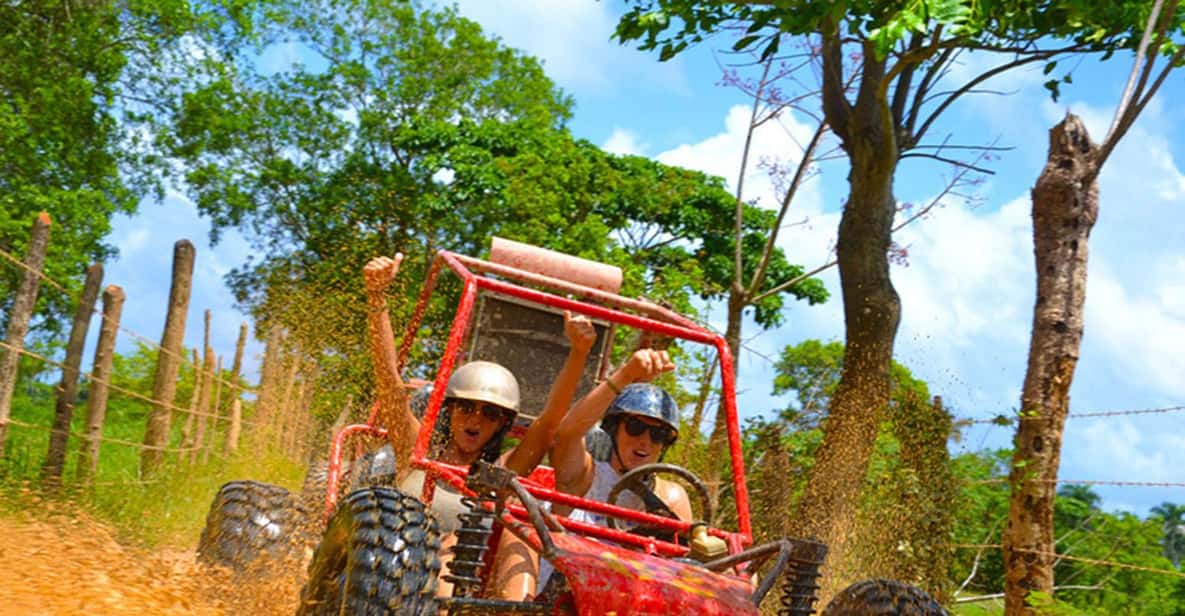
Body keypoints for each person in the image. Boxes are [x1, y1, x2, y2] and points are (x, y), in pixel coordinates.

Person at [363, 254, 596, 597]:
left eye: (490, 413)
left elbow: (548, 424)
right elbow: (389, 383)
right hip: (386, 577)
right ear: (450, 410)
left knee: (514, 532)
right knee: (443, 554)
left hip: (449, 589)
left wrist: (579, 352)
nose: (475, 418)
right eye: (467, 408)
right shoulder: (417, 450)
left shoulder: (498, 476)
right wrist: (376, 298)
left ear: (502, 424)